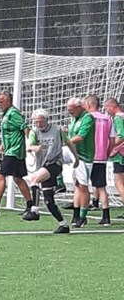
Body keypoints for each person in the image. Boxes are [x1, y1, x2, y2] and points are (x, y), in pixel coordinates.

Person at [0, 90, 34, 217]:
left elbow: (25, 128)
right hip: (11, 150)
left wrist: (31, 144)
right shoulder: (6, 114)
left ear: (9, 101)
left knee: (0, 175)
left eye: (1, 102)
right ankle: (30, 205)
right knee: (18, 178)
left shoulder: (13, 113)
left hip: (14, 151)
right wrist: (3, 144)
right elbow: (11, 131)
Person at [25, 109, 71, 233]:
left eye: (40, 122)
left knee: (34, 178)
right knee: (48, 201)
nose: (38, 124)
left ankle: (34, 209)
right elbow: (29, 147)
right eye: (36, 122)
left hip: (55, 163)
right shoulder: (34, 132)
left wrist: (76, 158)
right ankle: (64, 225)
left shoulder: (57, 130)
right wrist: (35, 148)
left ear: (46, 120)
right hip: (43, 166)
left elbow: (68, 142)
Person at [65, 97, 94, 228]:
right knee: (77, 185)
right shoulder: (73, 119)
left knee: (82, 186)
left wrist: (65, 142)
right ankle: (76, 215)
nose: (69, 113)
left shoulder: (87, 118)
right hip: (74, 155)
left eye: (71, 110)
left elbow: (80, 136)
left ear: (79, 107)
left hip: (84, 157)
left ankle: (83, 216)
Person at [85, 94, 112, 225]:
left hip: (87, 156)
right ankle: (106, 216)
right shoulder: (107, 118)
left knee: (81, 186)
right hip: (101, 156)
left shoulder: (87, 118)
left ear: (89, 104)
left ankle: (80, 216)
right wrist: (107, 151)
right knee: (101, 187)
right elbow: (112, 139)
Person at [106, 97, 124, 219]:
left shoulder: (118, 118)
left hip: (120, 155)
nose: (107, 111)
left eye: (107, 108)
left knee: (120, 183)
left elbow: (121, 135)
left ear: (112, 107)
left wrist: (111, 147)